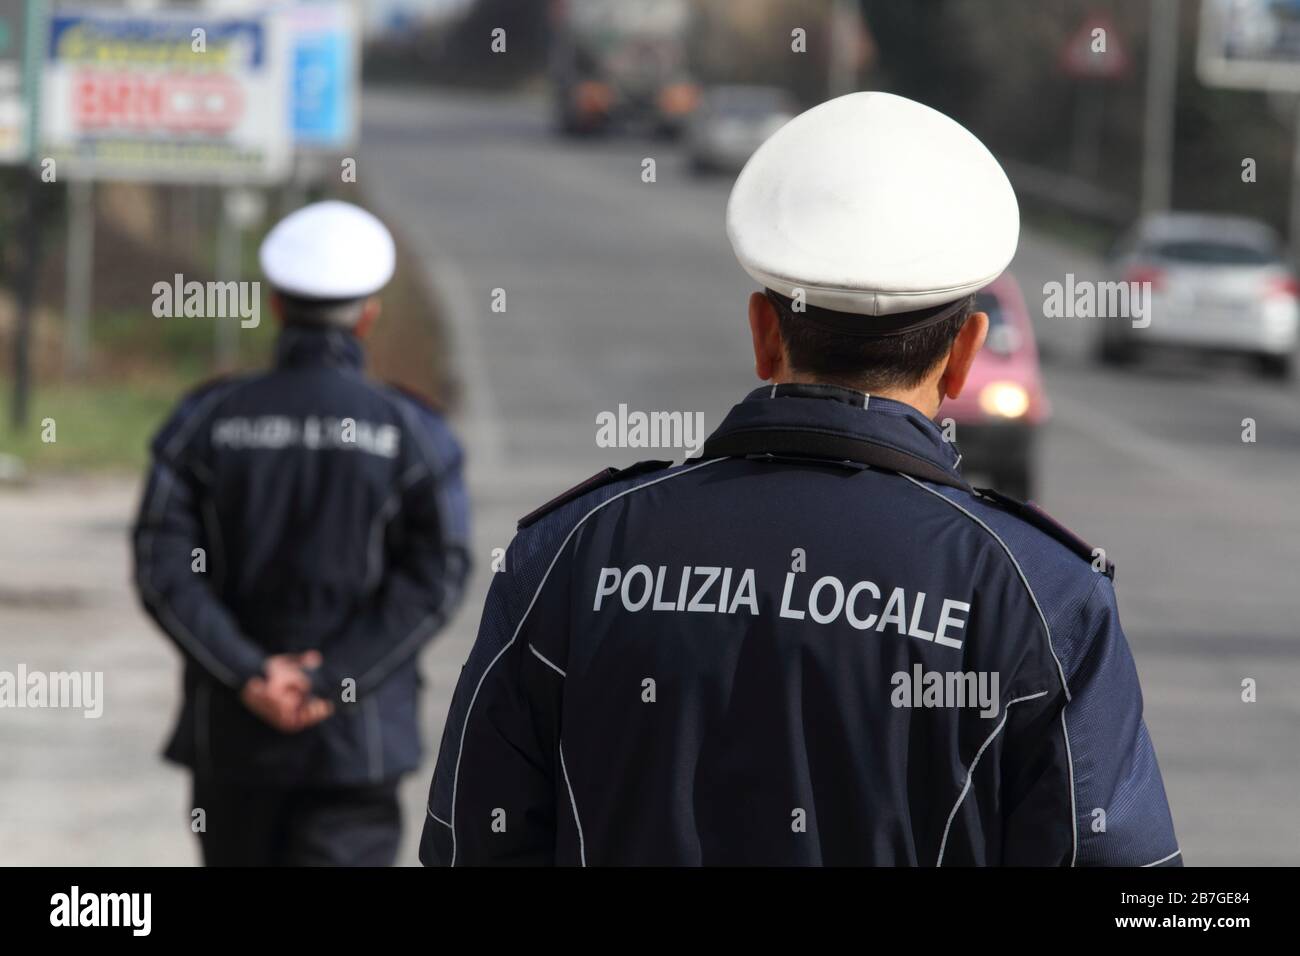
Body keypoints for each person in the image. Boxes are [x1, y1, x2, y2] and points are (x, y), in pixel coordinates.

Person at [419, 92, 1179, 867]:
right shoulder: (1043, 598)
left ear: (761, 330)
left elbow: (465, 846)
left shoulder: (569, 555)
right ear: (965, 354)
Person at [133, 200, 471, 866]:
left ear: (275, 305)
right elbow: (437, 579)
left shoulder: (204, 419)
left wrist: (250, 671)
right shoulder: (414, 432)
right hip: (358, 742)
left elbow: (161, 566)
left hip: (234, 739)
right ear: (368, 314)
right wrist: (334, 680)